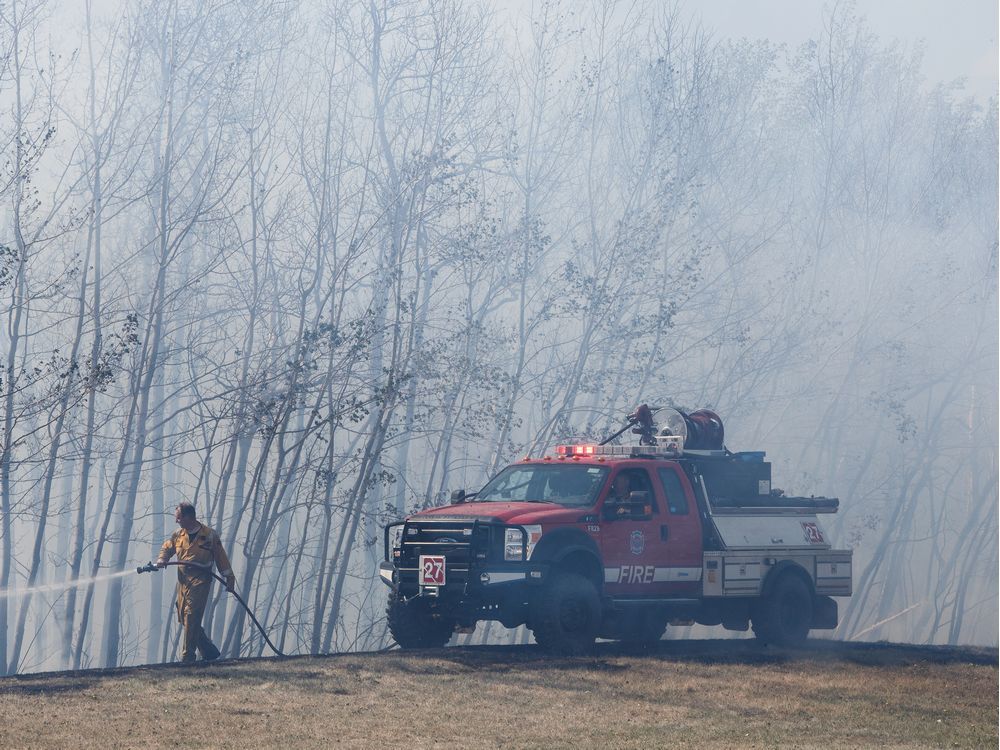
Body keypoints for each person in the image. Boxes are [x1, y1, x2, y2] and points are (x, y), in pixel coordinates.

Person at [156, 502, 236, 663]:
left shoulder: (209, 535)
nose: (177, 521)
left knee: (191, 615)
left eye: (178, 518)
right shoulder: (178, 535)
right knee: (183, 617)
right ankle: (209, 650)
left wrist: (229, 577)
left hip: (201, 581)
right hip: (183, 582)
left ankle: (188, 657)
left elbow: (221, 557)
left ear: (188, 517)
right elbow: (167, 547)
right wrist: (162, 559)